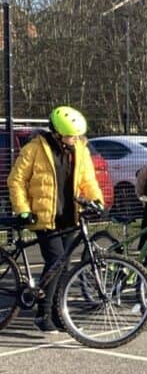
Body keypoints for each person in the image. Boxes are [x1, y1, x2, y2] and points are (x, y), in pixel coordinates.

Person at [7, 106, 104, 332]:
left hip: (70, 216)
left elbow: (88, 180)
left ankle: (59, 314)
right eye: (71, 135)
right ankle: (43, 314)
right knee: (56, 260)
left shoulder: (80, 150)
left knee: (64, 265)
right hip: (44, 217)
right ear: (57, 133)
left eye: (77, 135)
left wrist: (96, 200)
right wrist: (23, 209)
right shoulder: (34, 149)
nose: (75, 139)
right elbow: (16, 180)